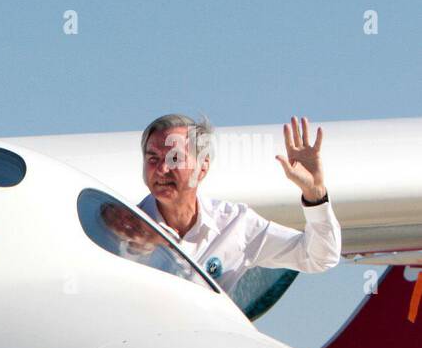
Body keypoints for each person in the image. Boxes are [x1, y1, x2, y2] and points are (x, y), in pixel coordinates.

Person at [137, 113, 341, 294]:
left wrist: (315, 196)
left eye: (175, 158)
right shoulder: (119, 227)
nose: (162, 169)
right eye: (153, 158)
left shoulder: (235, 224)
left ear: (203, 166)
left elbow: (320, 258)